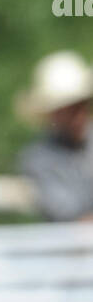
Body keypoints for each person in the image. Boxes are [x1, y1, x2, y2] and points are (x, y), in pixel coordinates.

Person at [16, 51, 93, 222]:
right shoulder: (39, 159)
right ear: (54, 113)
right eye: (70, 109)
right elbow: (73, 219)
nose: (79, 115)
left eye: (81, 105)